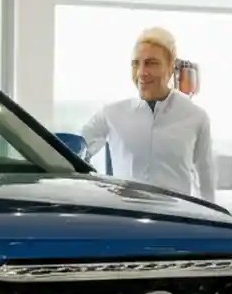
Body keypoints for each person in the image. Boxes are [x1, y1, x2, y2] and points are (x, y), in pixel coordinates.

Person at [80, 27, 216, 201]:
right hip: (127, 221)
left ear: (171, 66)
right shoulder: (111, 114)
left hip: (177, 222)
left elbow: (206, 183)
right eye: (136, 63)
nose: (141, 73)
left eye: (151, 63)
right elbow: (72, 153)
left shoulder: (196, 117)